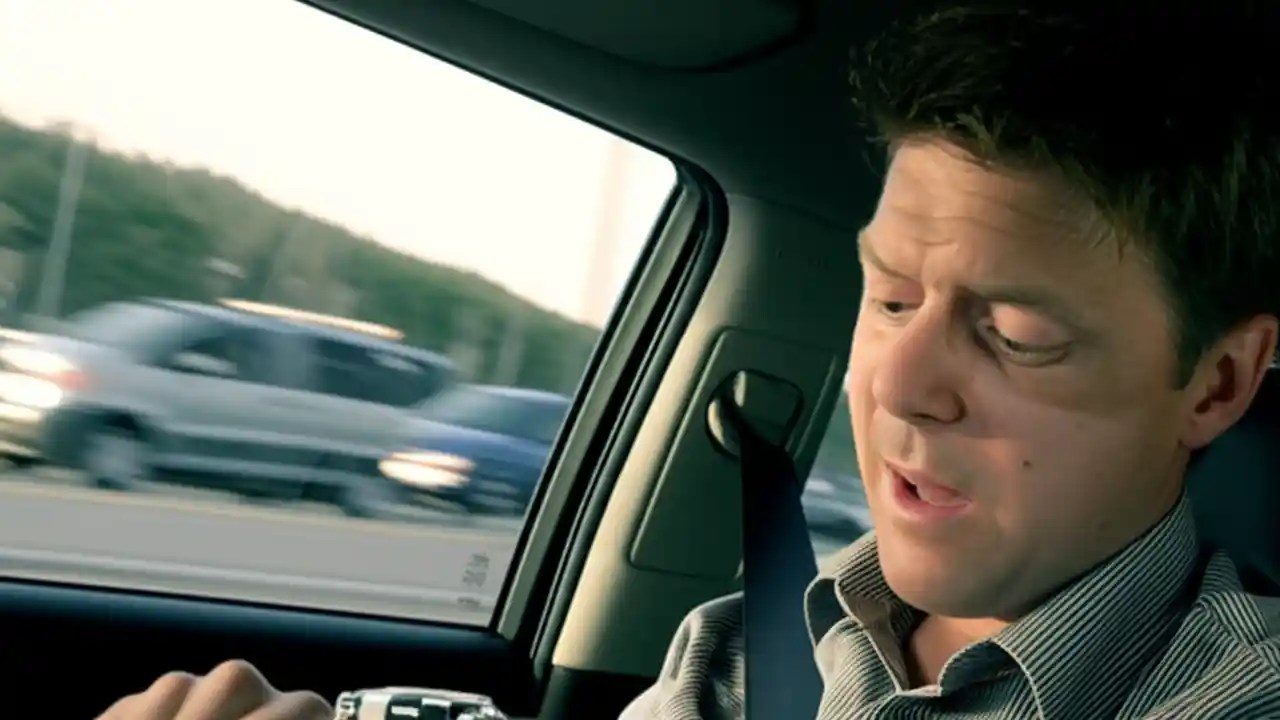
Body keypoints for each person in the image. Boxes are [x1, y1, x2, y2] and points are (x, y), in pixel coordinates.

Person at [98, 4, 1280, 719]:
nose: (897, 382)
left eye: (1015, 334)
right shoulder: (735, 654)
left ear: (1214, 383)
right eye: (887, 295)